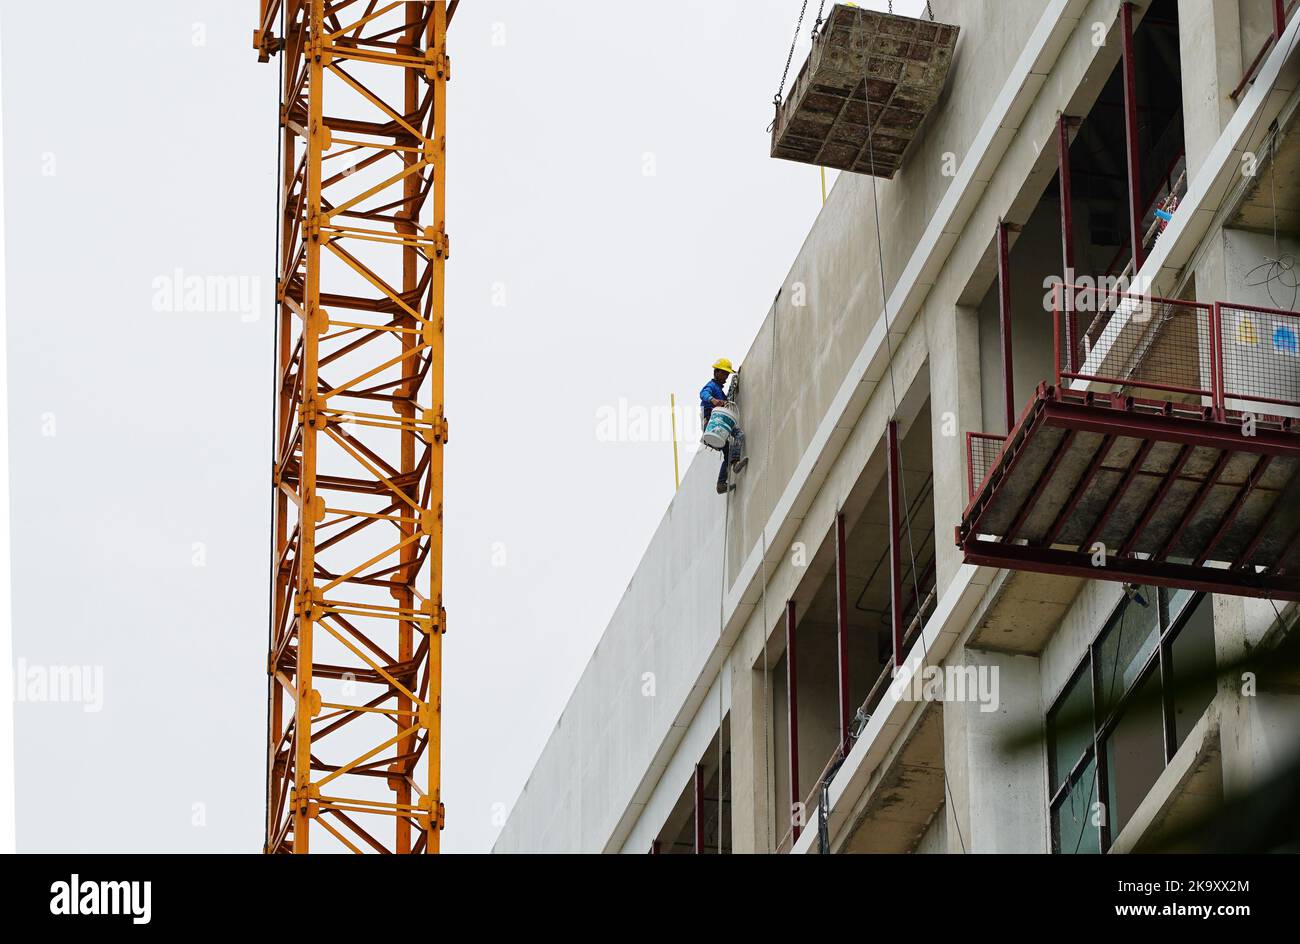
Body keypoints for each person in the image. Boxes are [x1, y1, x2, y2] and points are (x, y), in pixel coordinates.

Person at [701, 357, 748, 493]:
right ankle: (730, 469)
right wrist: (713, 400)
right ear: (716, 372)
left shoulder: (720, 391)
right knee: (729, 445)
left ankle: (729, 471)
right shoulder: (711, 386)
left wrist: (735, 382)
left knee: (737, 437)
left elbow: (726, 400)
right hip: (712, 419)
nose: (726, 377)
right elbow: (703, 393)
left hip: (721, 418)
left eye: (728, 374)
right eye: (724, 374)